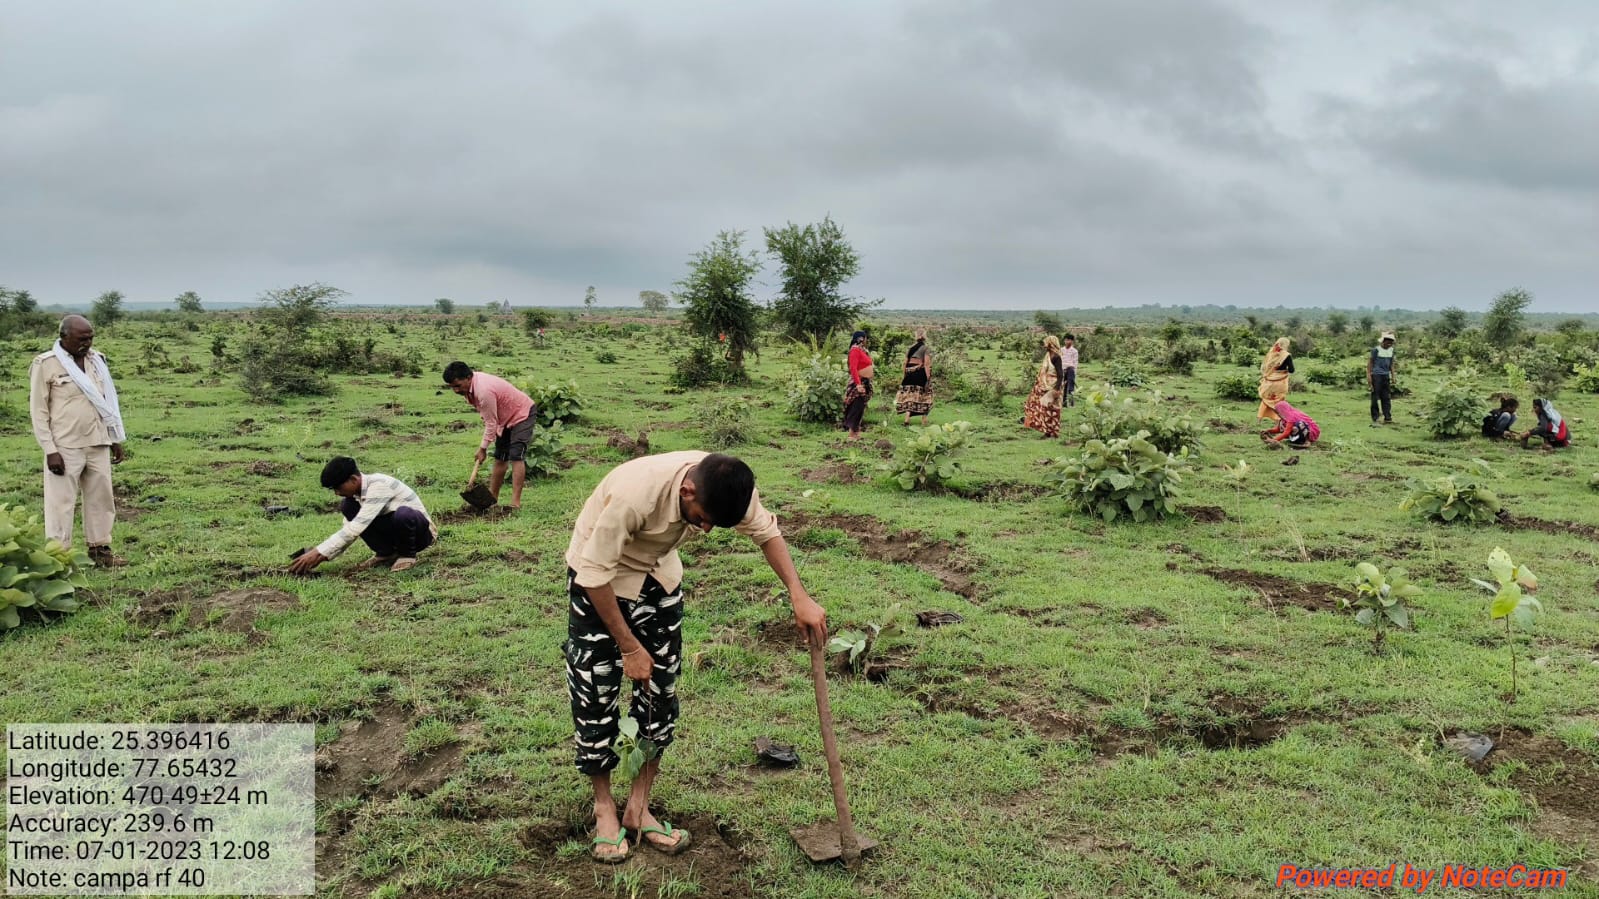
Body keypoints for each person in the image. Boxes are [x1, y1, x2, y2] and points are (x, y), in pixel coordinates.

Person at [563, 451, 827, 863]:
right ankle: (603, 809)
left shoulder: (728, 487)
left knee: (660, 692)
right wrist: (630, 648)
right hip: (599, 580)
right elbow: (593, 575)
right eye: (701, 518)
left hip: (658, 575)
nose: (705, 530)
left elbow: (766, 533)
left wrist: (799, 593)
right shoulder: (635, 497)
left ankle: (638, 807)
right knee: (595, 694)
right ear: (686, 490)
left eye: (714, 525)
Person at [29, 315, 127, 567]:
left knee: (101, 498)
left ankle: (100, 549)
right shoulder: (46, 364)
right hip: (65, 445)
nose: (87, 343)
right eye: (82, 339)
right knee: (60, 503)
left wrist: (114, 438)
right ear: (64, 337)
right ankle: (60, 557)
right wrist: (50, 450)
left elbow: (106, 403)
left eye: (90, 338)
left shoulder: (98, 361)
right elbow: (39, 411)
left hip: (98, 441)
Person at [289, 457, 436, 575]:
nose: (337, 493)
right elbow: (349, 530)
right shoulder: (355, 497)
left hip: (421, 535)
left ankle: (407, 555)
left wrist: (318, 552)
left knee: (404, 514)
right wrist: (322, 555)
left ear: (353, 479)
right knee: (348, 506)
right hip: (395, 529)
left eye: (338, 488)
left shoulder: (379, 485)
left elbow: (356, 528)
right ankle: (386, 553)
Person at [443, 361, 537, 509]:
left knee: (516, 455)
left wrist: (483, 448)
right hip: (504, 418)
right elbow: (490, 418)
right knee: (500, 457)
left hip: (522, 413)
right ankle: (492, 499)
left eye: (458, 385)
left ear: (468, 377)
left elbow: (490, 423)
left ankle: (515, 504)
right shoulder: (471, 387)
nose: (455, 390)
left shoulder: (483, 391)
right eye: (452, 387)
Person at [1022, 335, 1065, 438]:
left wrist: (1056, 389)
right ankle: (1046, 431)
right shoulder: (1048, 355)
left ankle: (1053, 432)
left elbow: (1060, 375)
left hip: (1053, 385)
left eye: (1046, 343)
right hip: (1044, 385)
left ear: (1051, 344)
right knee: (1044, 408)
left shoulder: (1056, 357)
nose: (1044, 345)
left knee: (1053, 409)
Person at [895, 328, 933, 425]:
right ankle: (924, 420)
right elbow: (927, 364)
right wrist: (928, 377)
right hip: (920, 372)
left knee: (909, 396)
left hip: (909, 373)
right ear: (925, 337)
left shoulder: (910, 349)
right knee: (924, 395)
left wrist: (905, 375)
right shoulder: (925, 348)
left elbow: (904, 363)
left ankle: (906, 420)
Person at [842, 330, 874, 440]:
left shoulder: (862, 351)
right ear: (861, 338)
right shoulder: (855, 350)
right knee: (856, 407)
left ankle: (856, 433)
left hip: (864, 382)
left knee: (860, 407)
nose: (866, 341)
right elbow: (853, 368)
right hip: (859, 382)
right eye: (865, 338)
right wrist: (858, 385)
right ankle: (851, 434)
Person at [1257, 337, 1294, 423]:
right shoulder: (1286, 355)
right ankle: (1277, 420)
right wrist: (1284, 370)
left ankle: (1259, 419)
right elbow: (1292, 370)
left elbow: (1265, 366)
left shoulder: (1271, 353)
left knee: (1266, 399)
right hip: (1281, 382)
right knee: (1279, 400)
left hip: (1269, 380)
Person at [1368, 332, 1397, 425]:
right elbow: (1370, 363)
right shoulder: (1376, 350)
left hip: (1385, 376)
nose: (1389, 345)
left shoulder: (1391, 350)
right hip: (1376, 375)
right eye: (1388, 343)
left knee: (1386, 397)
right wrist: (1369, 376)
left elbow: (1391, 364)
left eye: (1391, 343)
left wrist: (1393, 376)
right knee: (1375, 397)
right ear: (1383, 342)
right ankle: (1375, 417)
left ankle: (1387, 417)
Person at [1060, 333, 1079, 408]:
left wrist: (1075, 372)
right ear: (1064, 340)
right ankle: (1063, 403)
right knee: (1063, 386)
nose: (1068, 342)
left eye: (1069, 340)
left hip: (1070, 370)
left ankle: (1071, 404)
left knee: (1071, 387)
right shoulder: (1061, 350)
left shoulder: (1074, 351)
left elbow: (1075, 362)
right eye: (1066, 340)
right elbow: (1060, 361)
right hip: (1062, 369)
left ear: (1072, 341)